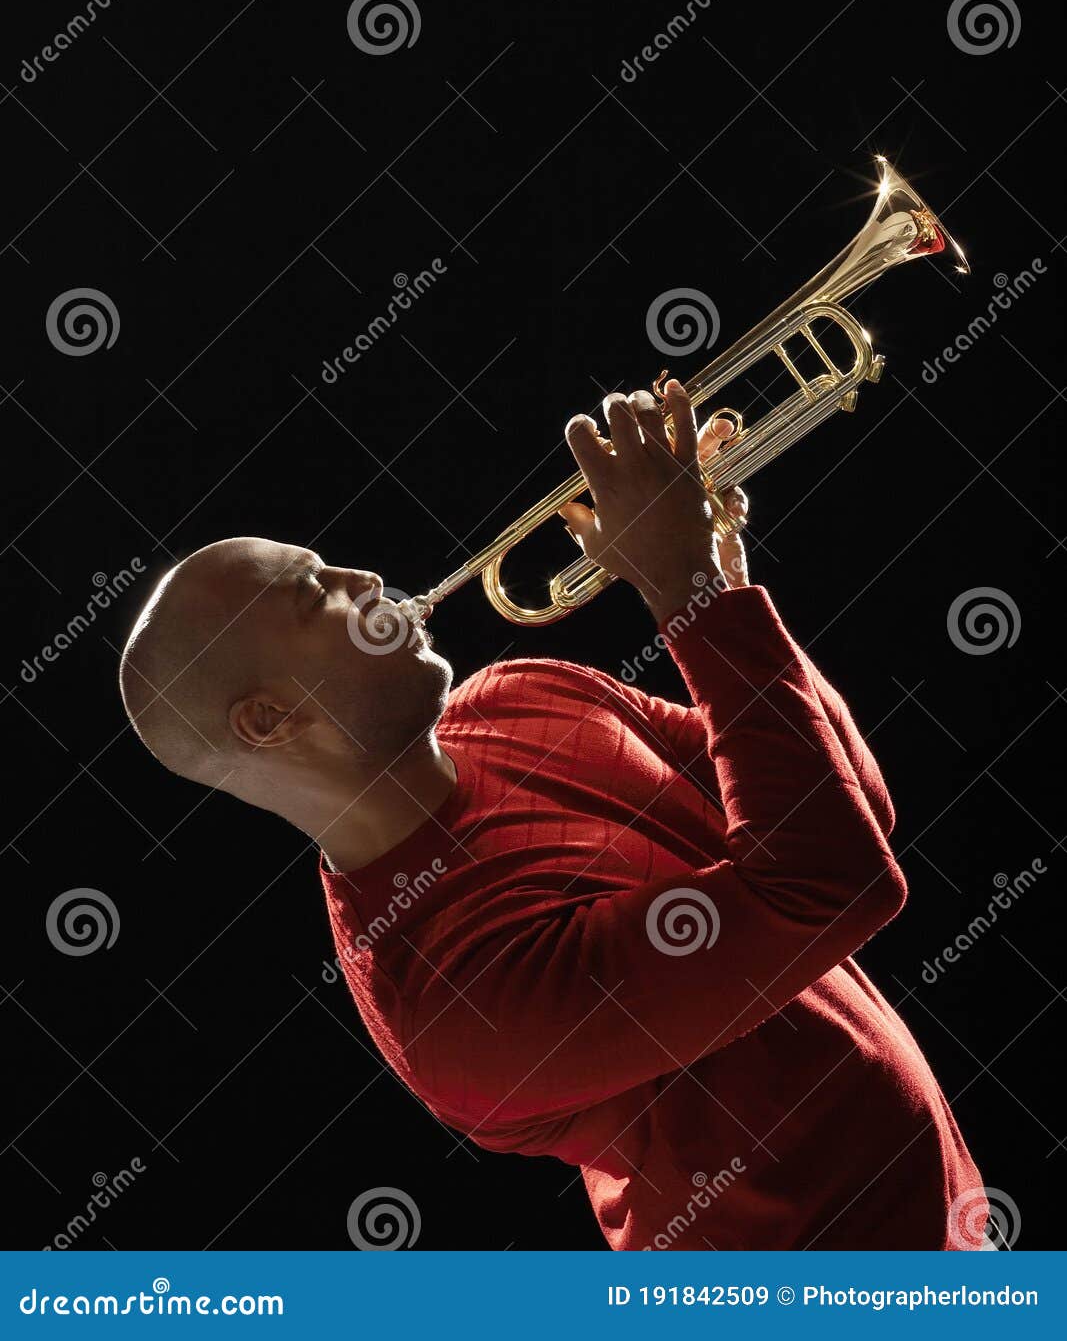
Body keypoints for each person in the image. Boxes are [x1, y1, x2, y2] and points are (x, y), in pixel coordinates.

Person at [119, 381, 986, 1250]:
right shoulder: (453, 1002)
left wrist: (719, 577)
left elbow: (848, 808)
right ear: (270, 721)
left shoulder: (519, 690)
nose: (366, 578)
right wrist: (685, 592)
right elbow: (833, 883)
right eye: (316, 596)